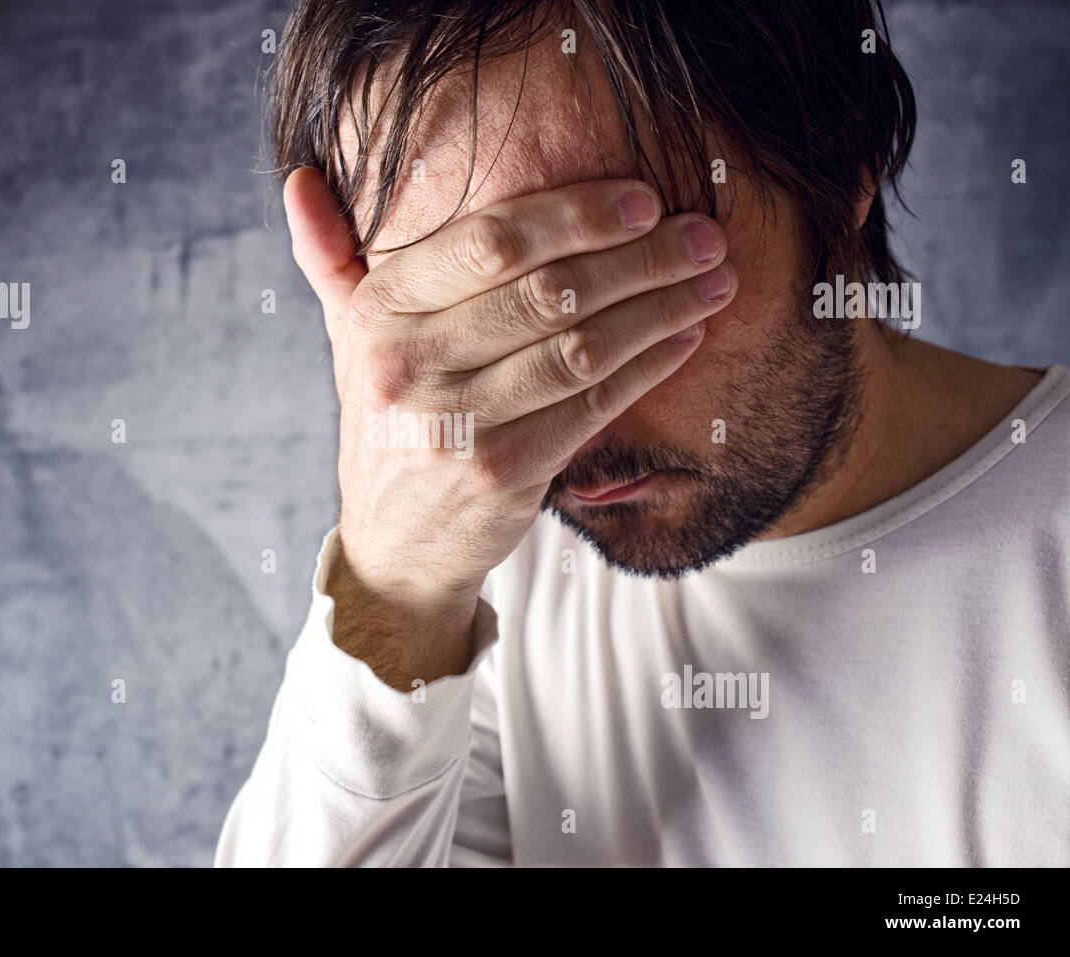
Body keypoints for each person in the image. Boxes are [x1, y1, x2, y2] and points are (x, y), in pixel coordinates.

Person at [216, 0, 1070, 865]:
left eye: (625, 288)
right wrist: (393, 593)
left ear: (844, 165)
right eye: (466, 322)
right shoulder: (479, 581)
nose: (559, 410)